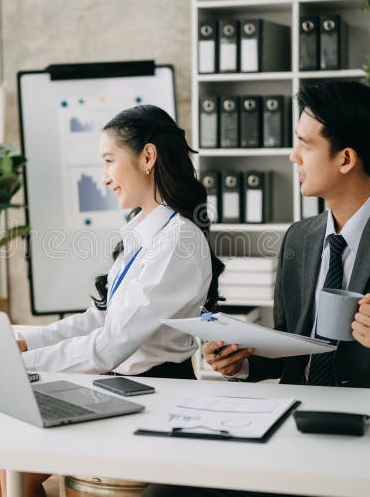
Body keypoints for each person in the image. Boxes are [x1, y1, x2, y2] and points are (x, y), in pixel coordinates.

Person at [143, 81, 370, 497]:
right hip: (291, 426)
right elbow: (294, 352)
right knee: (168, 489)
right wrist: (244, 359)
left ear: (346, 159)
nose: (293, 156)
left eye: (304, 144)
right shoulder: (299, 240)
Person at [17, 104, 224, 497]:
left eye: (109, 160)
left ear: (147, 157)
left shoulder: (177, 240)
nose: (105, 176)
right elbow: (102, 318)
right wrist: (29, 342)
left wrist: (20, 364)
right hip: (122, 386)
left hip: (157, 395)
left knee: (18, 455)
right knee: (10, 459)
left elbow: (111, 345)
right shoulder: (142, 232)